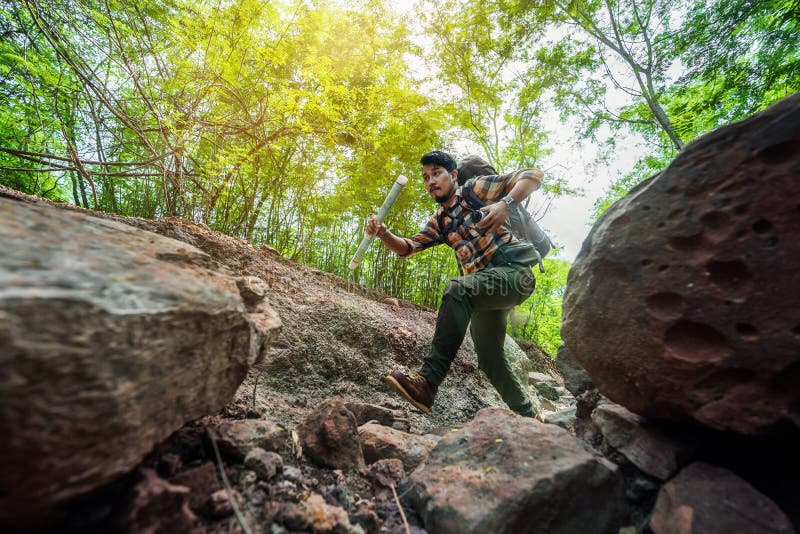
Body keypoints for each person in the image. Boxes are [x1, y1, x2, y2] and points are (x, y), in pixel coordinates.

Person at [365, 150, 544, 417]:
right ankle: (530, 416)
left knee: (458, 289)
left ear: (454, 175)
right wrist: (383, 233)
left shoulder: (476, 189)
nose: (430, 181)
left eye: (437, 173)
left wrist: (505, 204)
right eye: (426, 178)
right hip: (484, 289)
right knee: (489, 357)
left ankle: (427, 383)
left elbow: (533, 176)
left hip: (515, 274)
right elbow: (408, 247)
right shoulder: (440, 221)